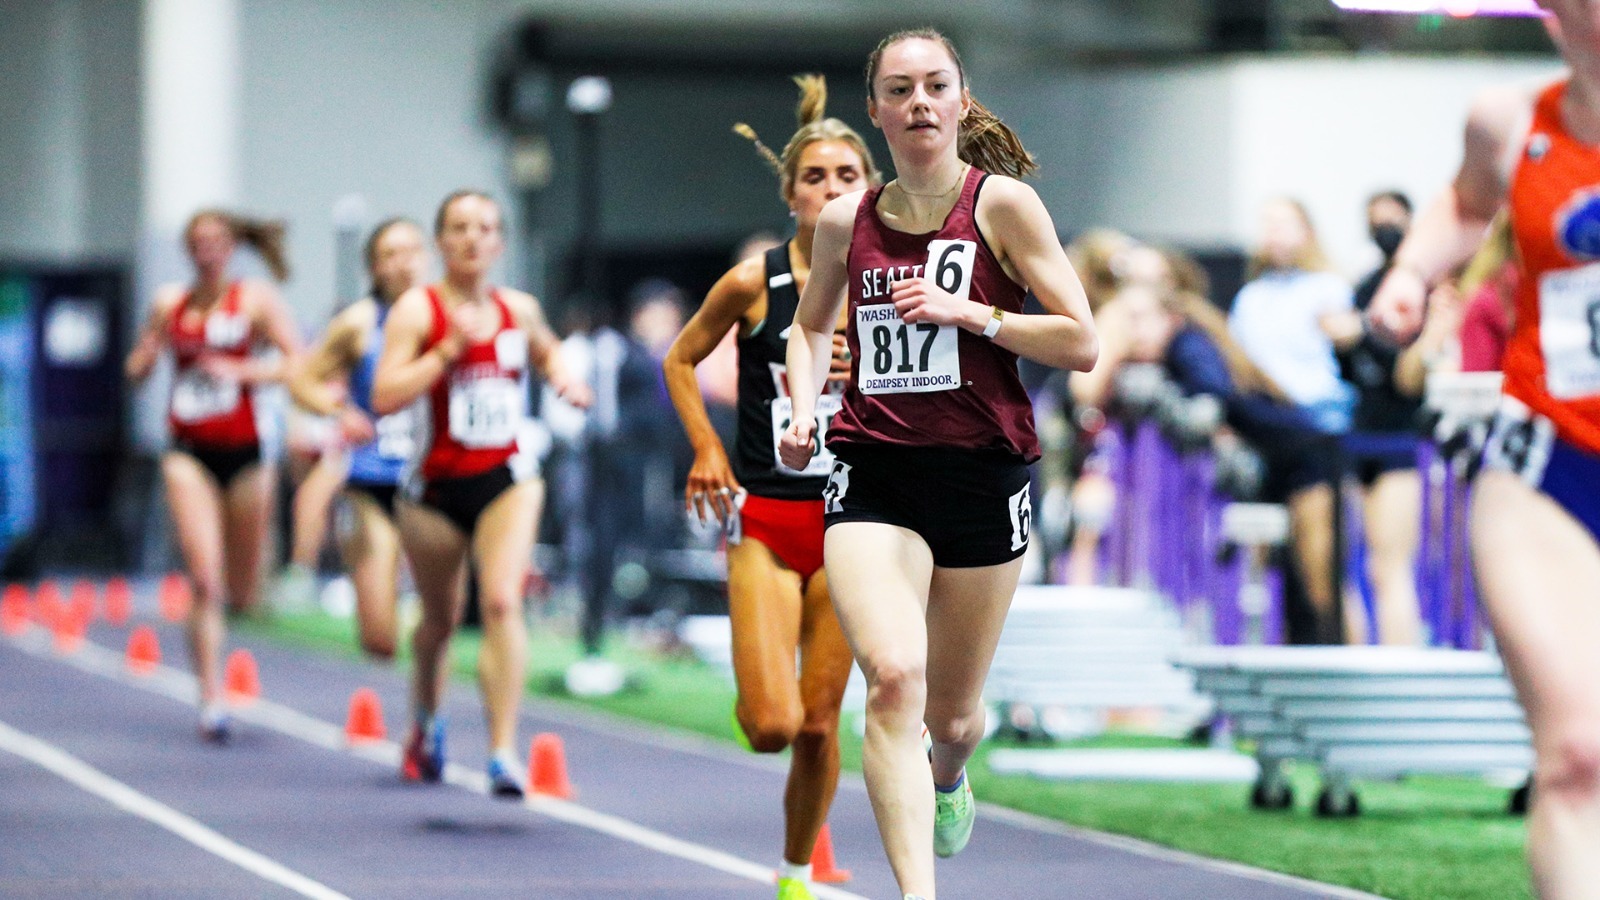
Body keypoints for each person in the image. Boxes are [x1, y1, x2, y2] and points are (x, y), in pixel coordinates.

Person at [779, 31, 1097, 900]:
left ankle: (949, 775)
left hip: (983, 475)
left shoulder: (1004, 209)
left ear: (961, 102)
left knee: (951, 717)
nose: (919, 103)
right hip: (872, 469)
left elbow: (1082, 342)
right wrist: (806, 409)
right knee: (892, 678)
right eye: (899, 89)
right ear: (877, 111)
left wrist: (974, 315)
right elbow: (811, 326)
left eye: (935, 86)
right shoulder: (850, 220)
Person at [1370, 3, 1600, 894]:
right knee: (1579, 752)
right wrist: (1410, 273)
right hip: (1550, 465)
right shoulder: (1509, 122)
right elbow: (1466, 205)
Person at [662, 74, 878, 900]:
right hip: (767, 516)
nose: (830, 188)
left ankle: (795, 875)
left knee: (821, 727)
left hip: (857, 523)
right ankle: (757, 695)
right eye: (815, 176)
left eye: (846, 176)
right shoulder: (757, 283)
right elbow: (680, 358)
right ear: (790, 192)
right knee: (773, 727)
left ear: (870, 190)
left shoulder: (894, 285)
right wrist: (706, 449)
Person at [372, 190, 589, 796]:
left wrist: (566, 379)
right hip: (433, 487)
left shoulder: (517, 307)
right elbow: (385, 394)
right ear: (441, 242)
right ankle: (426, 722)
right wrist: (445, 353)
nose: (472, 238)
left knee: (500, 602)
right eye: (460, 228)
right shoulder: (417, 311)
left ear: (500, 243)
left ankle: (501, 751)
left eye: (485, 228)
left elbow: (548, 352)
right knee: (439, 620)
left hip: (507, 479)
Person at [124, 209, 301, 742]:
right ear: (188, 249)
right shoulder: (168, 304)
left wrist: (243, 370)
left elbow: (300, 363)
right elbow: (135, 373)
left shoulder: (255, 301)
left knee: (243, 593)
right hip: (188, 452)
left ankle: (231, 627)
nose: (208, 250)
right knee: (205, 578)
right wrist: (148, 354)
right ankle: (210, 696)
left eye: (218, 241)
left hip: (246, 452)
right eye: (198, 242)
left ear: (232, 247)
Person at [288, 217, 429, 658]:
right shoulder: (358, 323)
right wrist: (340, 412)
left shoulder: (446, 316)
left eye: (411, 252)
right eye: (391, 254)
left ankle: (425, 714)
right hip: (373, 478)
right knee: (380, 638)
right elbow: (302, 380)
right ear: (374, 267)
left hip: (435, 478)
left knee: (444, 618)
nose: (403, 264)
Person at [1229, 197, 1354, 644]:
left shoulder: (1328, 289)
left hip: (1316, 434)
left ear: (1307, 231)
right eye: (1268, 224)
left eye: (1284, 224)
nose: (1274, 234)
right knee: (1265, 571)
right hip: (1265, 436)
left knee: (1320, 569)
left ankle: (1349, 667)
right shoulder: (1251, 297)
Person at [1326, 191, 1425, 645]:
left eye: (1393, 220)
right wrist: (1344, 339)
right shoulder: (1365, 287)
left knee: (1391, 567)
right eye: (1376, 222)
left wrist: (1364, 330)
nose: (1385, 229)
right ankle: (1360, 671)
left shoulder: (1425, 288)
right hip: (1359, 435)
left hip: (1400, 439)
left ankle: (1399, 670)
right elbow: (1348, 369)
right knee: (1354, 568)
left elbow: (1407, 377)